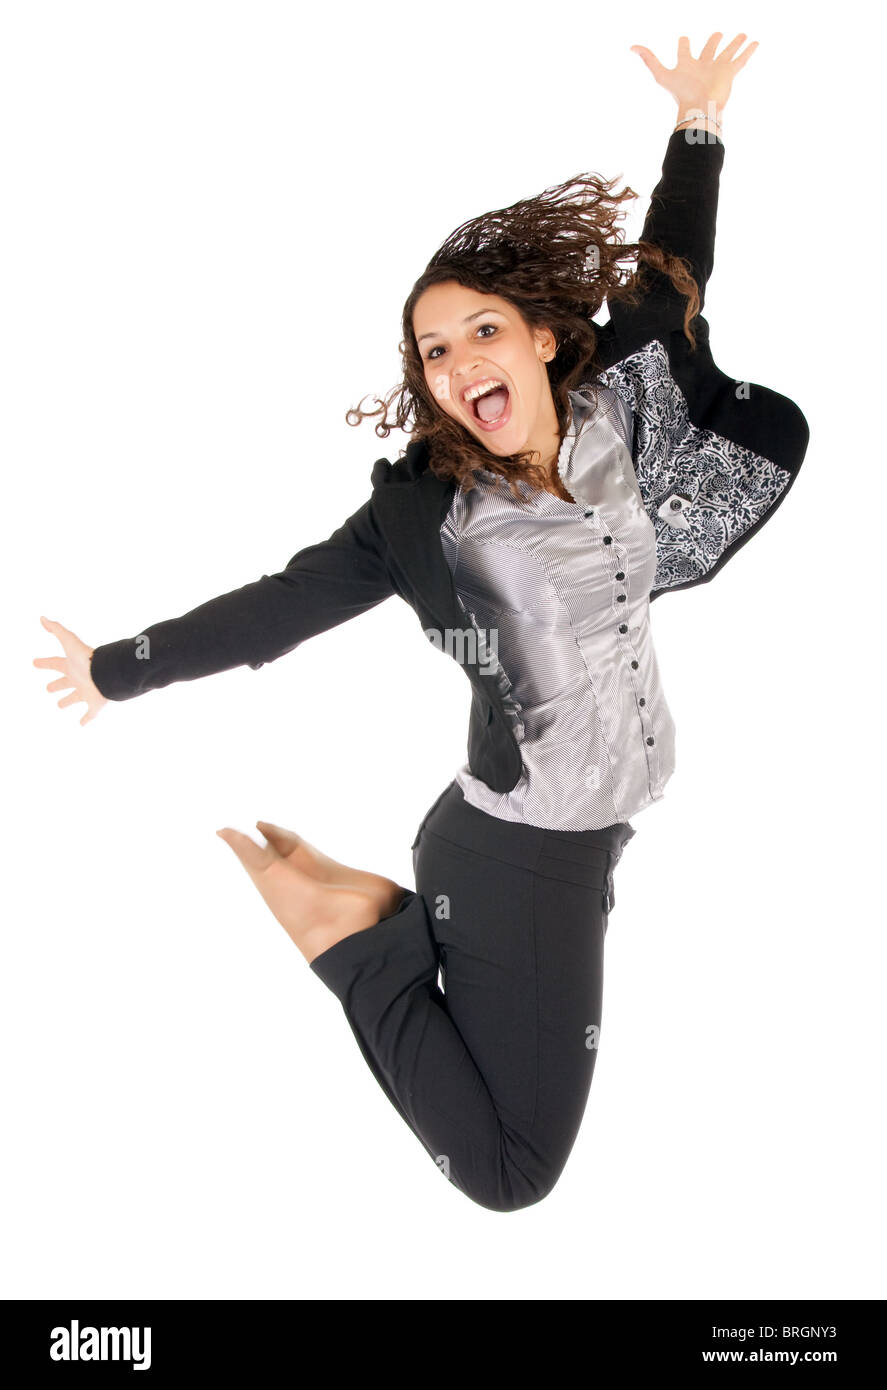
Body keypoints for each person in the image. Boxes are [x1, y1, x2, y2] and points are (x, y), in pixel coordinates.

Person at [34, 33, 806, 1212]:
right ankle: (353, 941)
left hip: (577, 840)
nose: (455, 366)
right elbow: (280, 603)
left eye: (480, 332)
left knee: (518, 1134)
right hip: (515, 850)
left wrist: (699, 123)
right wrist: (117, 666)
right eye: (433, 353)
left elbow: (671, 266)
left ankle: (376, 921)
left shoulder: (622, 410)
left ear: (541, 339)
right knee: (510, 1174)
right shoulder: (431, 521)